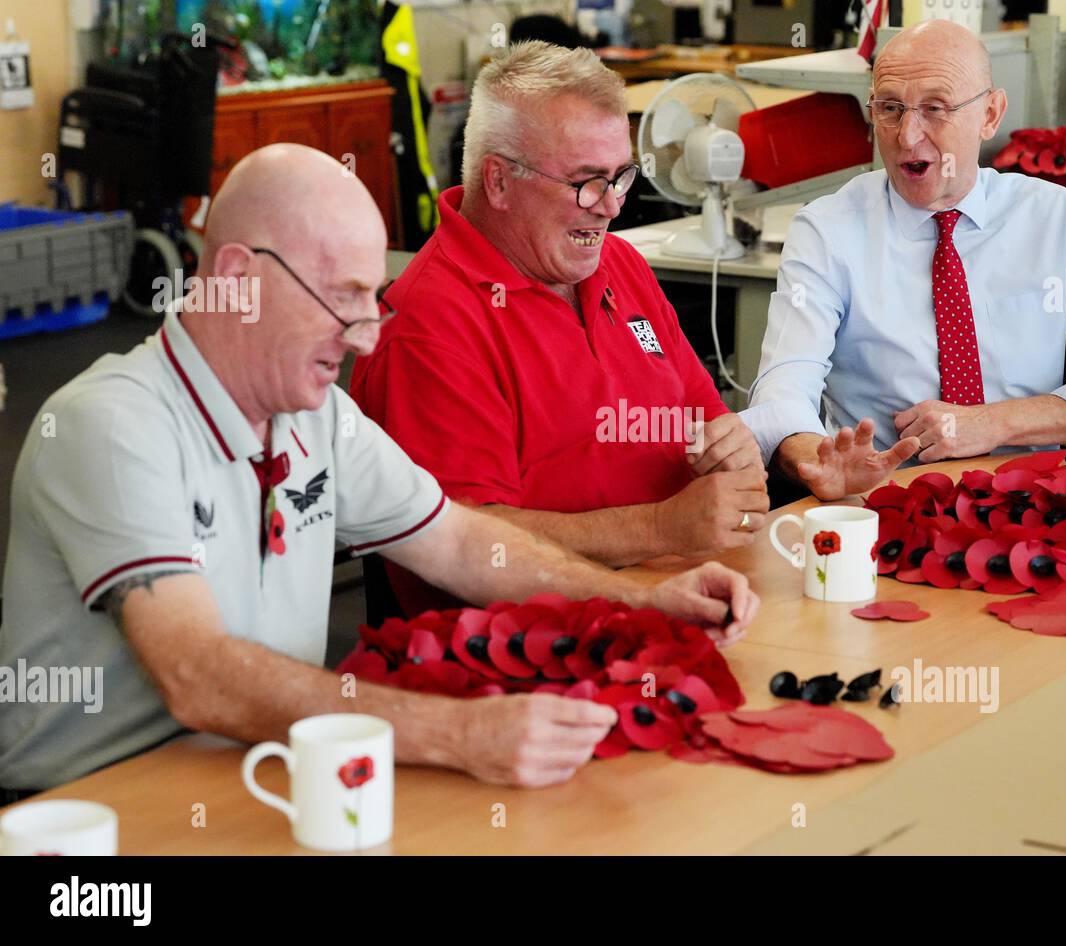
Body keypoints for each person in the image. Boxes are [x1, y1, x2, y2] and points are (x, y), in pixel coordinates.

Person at [0, 144, 759, 797]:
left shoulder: (316, 415)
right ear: (238, 276)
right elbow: (198, 674)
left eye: (372, 298)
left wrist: (644, 600)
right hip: (89, 813)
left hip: (254, 770)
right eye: (342, 298)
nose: (367, 336)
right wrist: (462, 733)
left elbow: (464, 545)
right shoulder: (112, 424)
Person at [350, 41, 767, 601]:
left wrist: (733, 456)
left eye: (621, 176)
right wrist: (660, 527)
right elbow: (462, 540)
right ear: (497, 181)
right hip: (531, 653)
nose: (611, 206)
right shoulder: (428, 324)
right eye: (586, 182)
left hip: (683, 591)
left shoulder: (619, 264)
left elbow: (707, 421)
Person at [744, 19, 1066, 501]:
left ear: (990, 114)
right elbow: (781, 392)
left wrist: (994, 423)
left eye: (936, 108)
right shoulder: (827, 229)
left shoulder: (1053, 216)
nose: (908, 136)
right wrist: (818, 459)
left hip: (1033, 506)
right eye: (890, 108)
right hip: (888, 500)